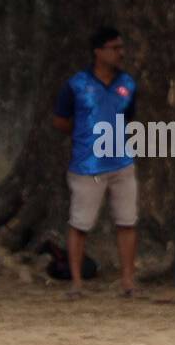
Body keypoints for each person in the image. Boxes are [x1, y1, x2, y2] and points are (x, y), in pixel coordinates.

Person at [51, 27, 140, 299]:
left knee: (127, 221)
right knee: (80, 223)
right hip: (87, 167)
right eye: (114, 48)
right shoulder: (76, 85)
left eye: (121, 47)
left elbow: (129, 119)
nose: (120, 53)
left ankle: (127, 281)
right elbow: (60, 120)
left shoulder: (128, 84)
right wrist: (85, 137)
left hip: (122, 164)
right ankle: (77, 282)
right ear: (98, 52)